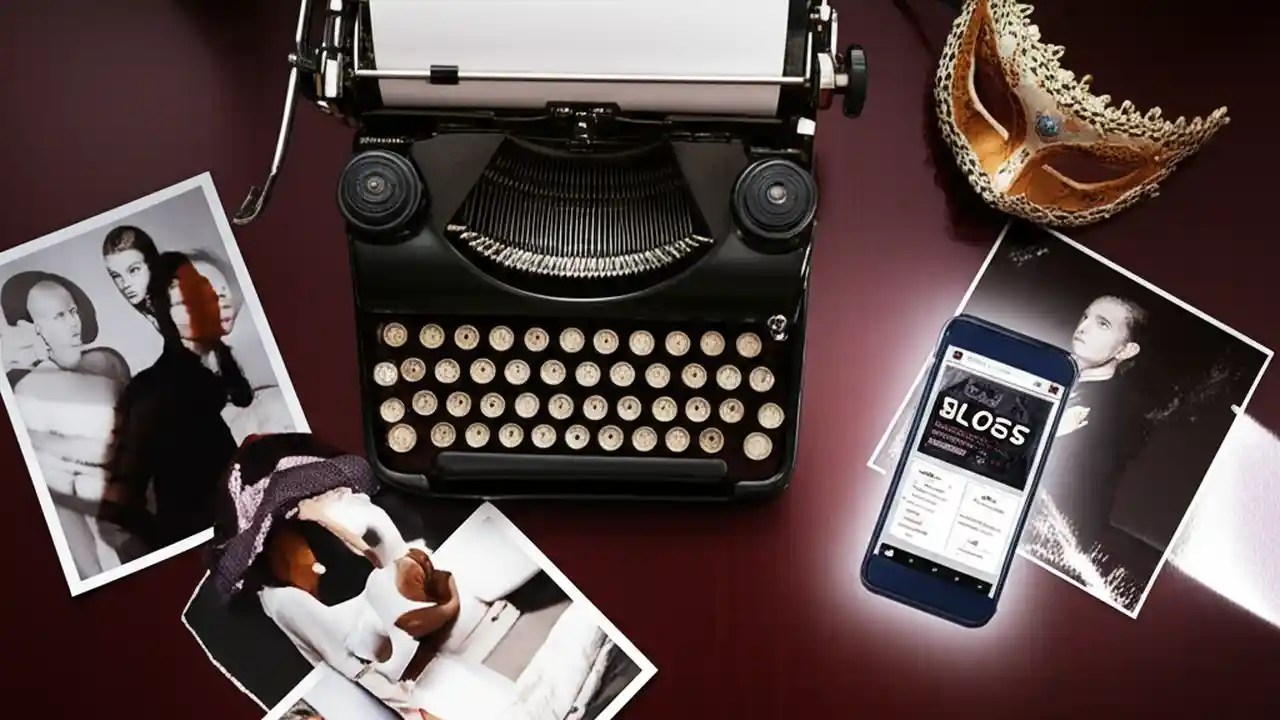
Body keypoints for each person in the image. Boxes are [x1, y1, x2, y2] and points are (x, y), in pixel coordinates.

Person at [100, 251, 253, 550]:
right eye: (184, 302)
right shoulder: (151, 389)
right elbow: (122, 500)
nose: (205, 305)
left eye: (208, 291)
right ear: (163, 313)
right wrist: (176, 543)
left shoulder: (233, 366)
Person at [0, 271, 134, 578]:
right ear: (33, 329)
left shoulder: (106, 362)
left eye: (72, 312)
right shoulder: (27, 391)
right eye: (60, 316)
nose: (74, 322)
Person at [1027, 293, 1158, 601]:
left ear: (1126, 350)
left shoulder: (1110, 410)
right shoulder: (1059, 380)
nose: (1083, 327)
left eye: (1102, 324)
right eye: (1085, 316)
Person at [101, 225, 162, 329]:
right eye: (116, 275)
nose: (125, 284)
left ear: (151, 265)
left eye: (133, 270)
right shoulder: (147, 309)